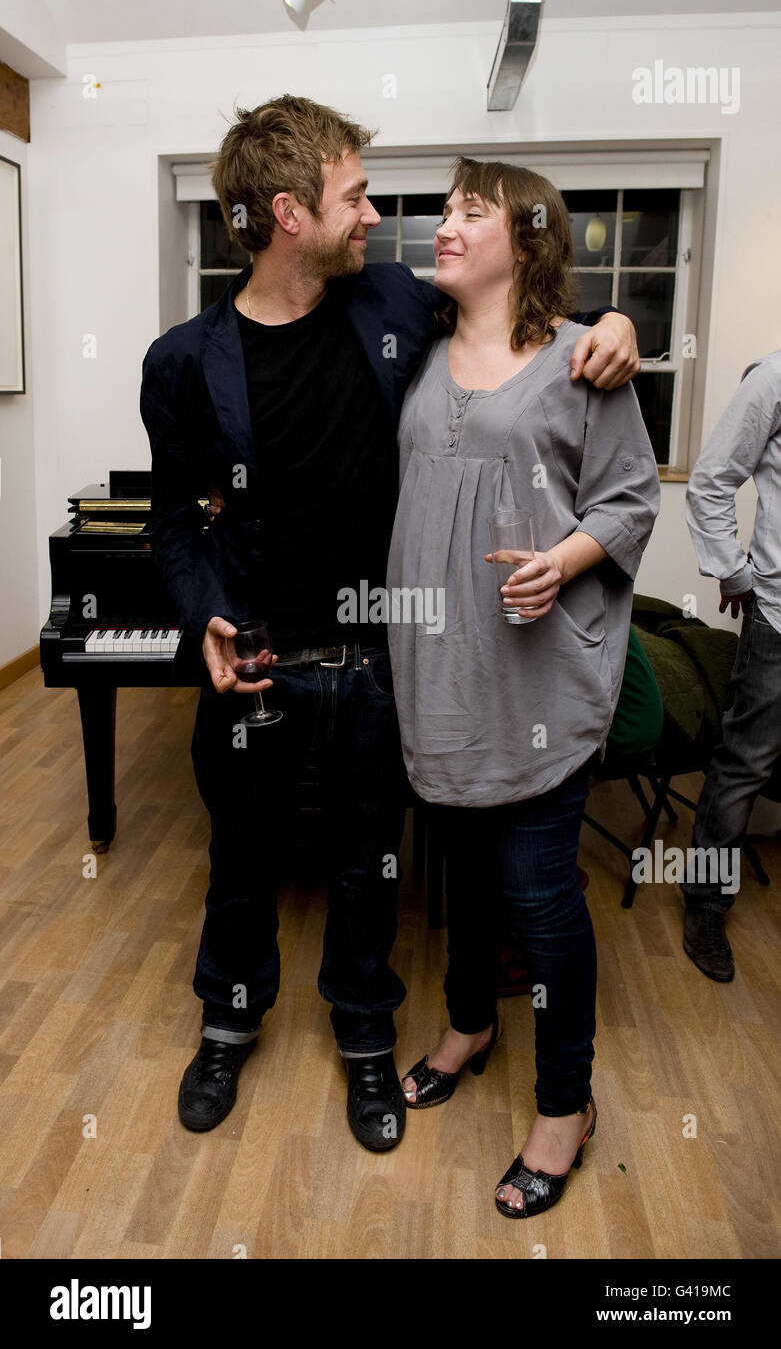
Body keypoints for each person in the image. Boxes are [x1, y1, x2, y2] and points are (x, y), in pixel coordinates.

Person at [139, 95, 640, 1154]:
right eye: (354, 195)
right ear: (287, 212)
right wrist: (203, 621)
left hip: (380, 667)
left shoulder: (397, 306)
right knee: (241, 859)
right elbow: (176, 524)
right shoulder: (183, 361)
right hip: (263, 663)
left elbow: (525, 325)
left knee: (370, 868)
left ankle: (366, 1037)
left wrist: (613, 326)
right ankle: (227, 1023)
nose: (375, 217)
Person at [387, 157, 660, 1215]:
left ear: (528, 239)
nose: (443, 228)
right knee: (459, 872)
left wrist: (568, 558)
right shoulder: (413, 344)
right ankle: (469, 1023)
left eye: (469, 214)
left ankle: (565, 1103)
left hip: (535, 684)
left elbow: (631, 500)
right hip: (436, 675)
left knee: (545, 904)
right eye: (444, 212)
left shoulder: (581, 364)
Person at [683, 350, 781, 982]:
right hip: (779, 617)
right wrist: (735, 571)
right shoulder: (774, 376)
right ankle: (704, 905)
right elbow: (712, 477)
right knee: (746, 762)